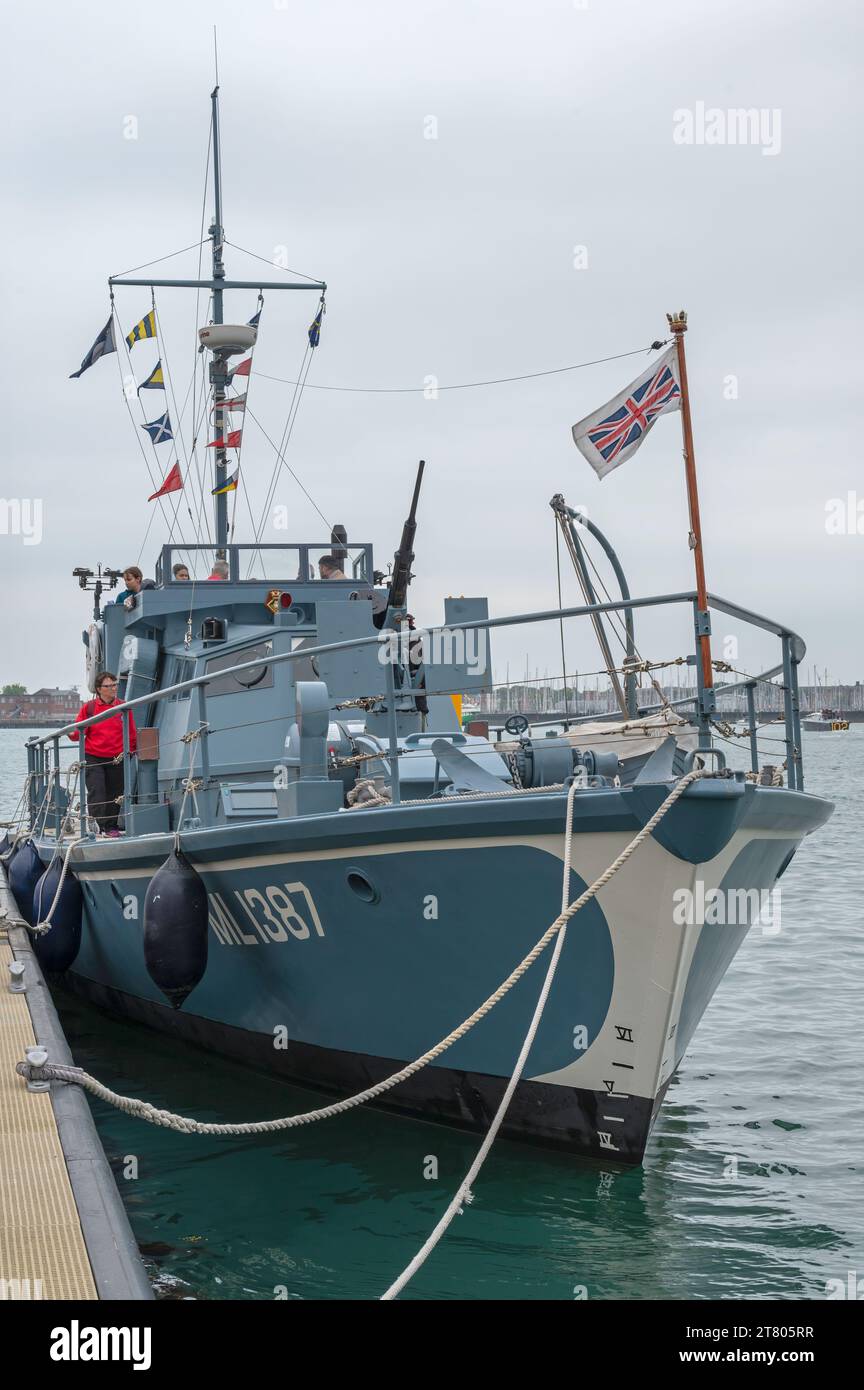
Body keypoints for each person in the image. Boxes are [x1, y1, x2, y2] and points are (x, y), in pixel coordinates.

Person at [68, 671, 137, 836]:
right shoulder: (90, 708)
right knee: (97, 791)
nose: (113, 688)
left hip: (117, 757)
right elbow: (79, 731)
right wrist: (71, 734)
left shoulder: (123, 707)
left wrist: (132, 749)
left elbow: (131, 731)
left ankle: (111, 827)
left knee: (115, 793)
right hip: (93, 756)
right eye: (108, 686)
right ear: (99, 689)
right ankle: (98, 825)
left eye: (115, 685)